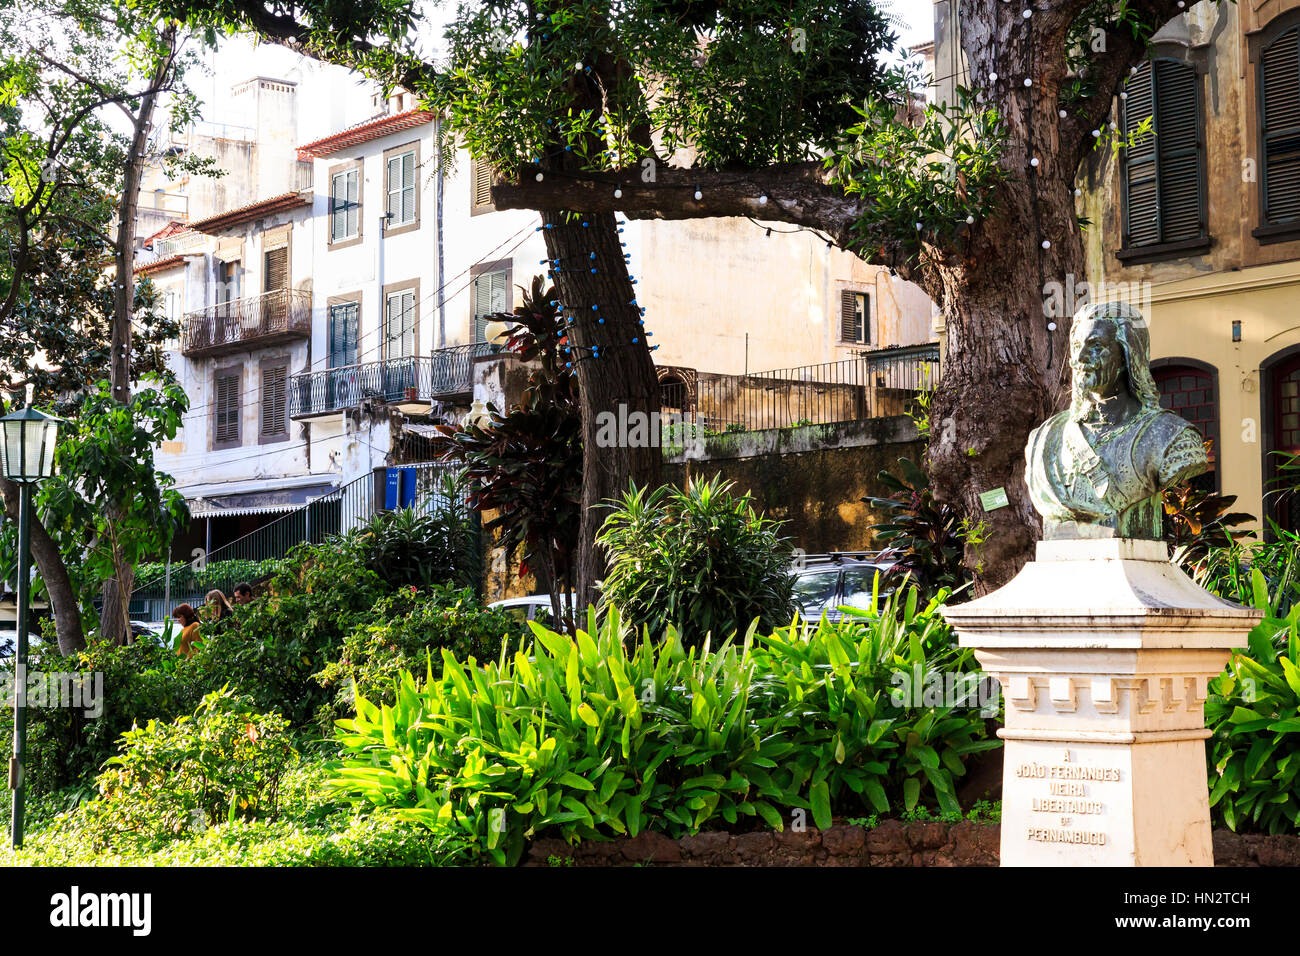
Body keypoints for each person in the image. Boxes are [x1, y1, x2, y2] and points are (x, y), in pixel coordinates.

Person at [1026, 301, 1208, 538]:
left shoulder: (1171, 437)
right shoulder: (1044, 439)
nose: (1079, 358)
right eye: (1077, 346)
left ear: (1125, 356)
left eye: (1094, 346)